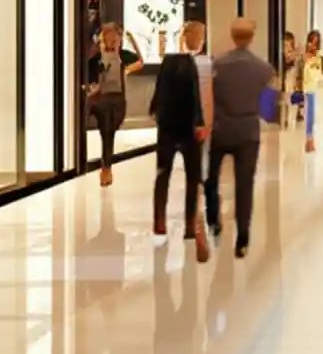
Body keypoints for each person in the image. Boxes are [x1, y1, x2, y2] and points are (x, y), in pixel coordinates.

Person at [205, 18, 276, 259]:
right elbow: (269, 110)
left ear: (232, 36)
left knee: (211, 178)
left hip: (220, 129)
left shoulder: (217, 65)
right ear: (252, 37)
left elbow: (208, 99)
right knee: (245, 184)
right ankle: (242, 236)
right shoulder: (263, 68)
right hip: (248, 131)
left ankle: (213, 220)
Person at [149, 38, 210, 262]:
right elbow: (195, 97)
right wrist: (200, 122)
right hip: (188, 128)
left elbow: (158, 92)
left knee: (162, 174)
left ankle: (159, 222)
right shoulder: (190, 64)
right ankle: (190, 224)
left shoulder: (166, 64)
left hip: (167, 127)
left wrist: (157, 112)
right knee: (193, 178)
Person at [86, 23, 144, 187]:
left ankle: (106, 167)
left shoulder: (122, 57)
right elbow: (88, 73)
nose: (112, 42)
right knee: (107, 133)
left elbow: (140, 62)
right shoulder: (97, 58)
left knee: (108, 133)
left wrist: (133, 41)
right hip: (101, 98)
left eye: (115, 38)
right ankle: (106, 168)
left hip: (116, 99)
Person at [301, 31, 323, 152]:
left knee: (314, 115)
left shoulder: (320, 57)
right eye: (311, 41)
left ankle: (311, 140)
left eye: (316, 42)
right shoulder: (303, 57)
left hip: (317, 89)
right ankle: (309, 140)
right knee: (308, 115)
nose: (313, 45)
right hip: (306, 89)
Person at [280, 32, 300, 130]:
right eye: (285, 46)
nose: (288, 49)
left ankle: (291, 127)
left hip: (293, 89)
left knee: (293, 109)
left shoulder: (296, 61)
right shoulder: (280, 62)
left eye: (290, 45)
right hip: (283, 90)